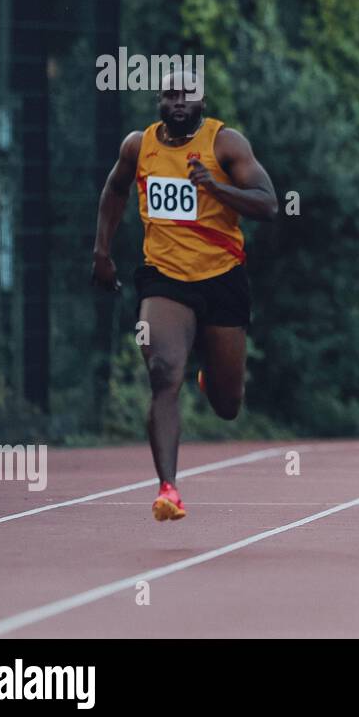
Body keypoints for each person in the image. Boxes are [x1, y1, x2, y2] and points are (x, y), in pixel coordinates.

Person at [92, 70, 277, 521]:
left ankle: (209, 377)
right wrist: (101, 251)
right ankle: (168, 489)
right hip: (164, 278)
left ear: (202, 102)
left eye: (185, 96)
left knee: (228, 404)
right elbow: (115, 189)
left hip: (222, 279)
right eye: (168, 95)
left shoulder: (225, 144)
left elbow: (269, 204)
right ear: (158, 102)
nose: (176, 102)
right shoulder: (139, 146)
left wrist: (215, 187)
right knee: (161, 371)